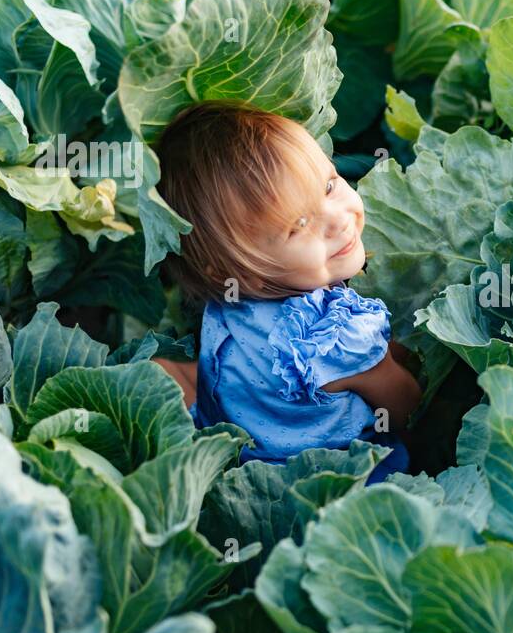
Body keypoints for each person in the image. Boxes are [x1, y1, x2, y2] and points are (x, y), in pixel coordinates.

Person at [152, 100, 421, 483]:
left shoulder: (230, 298)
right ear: (235, 268)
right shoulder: (337, 337)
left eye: (329, 186)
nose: (338, 220)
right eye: (298, 226)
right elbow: (404, 404)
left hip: (244, 464)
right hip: (337, 483)